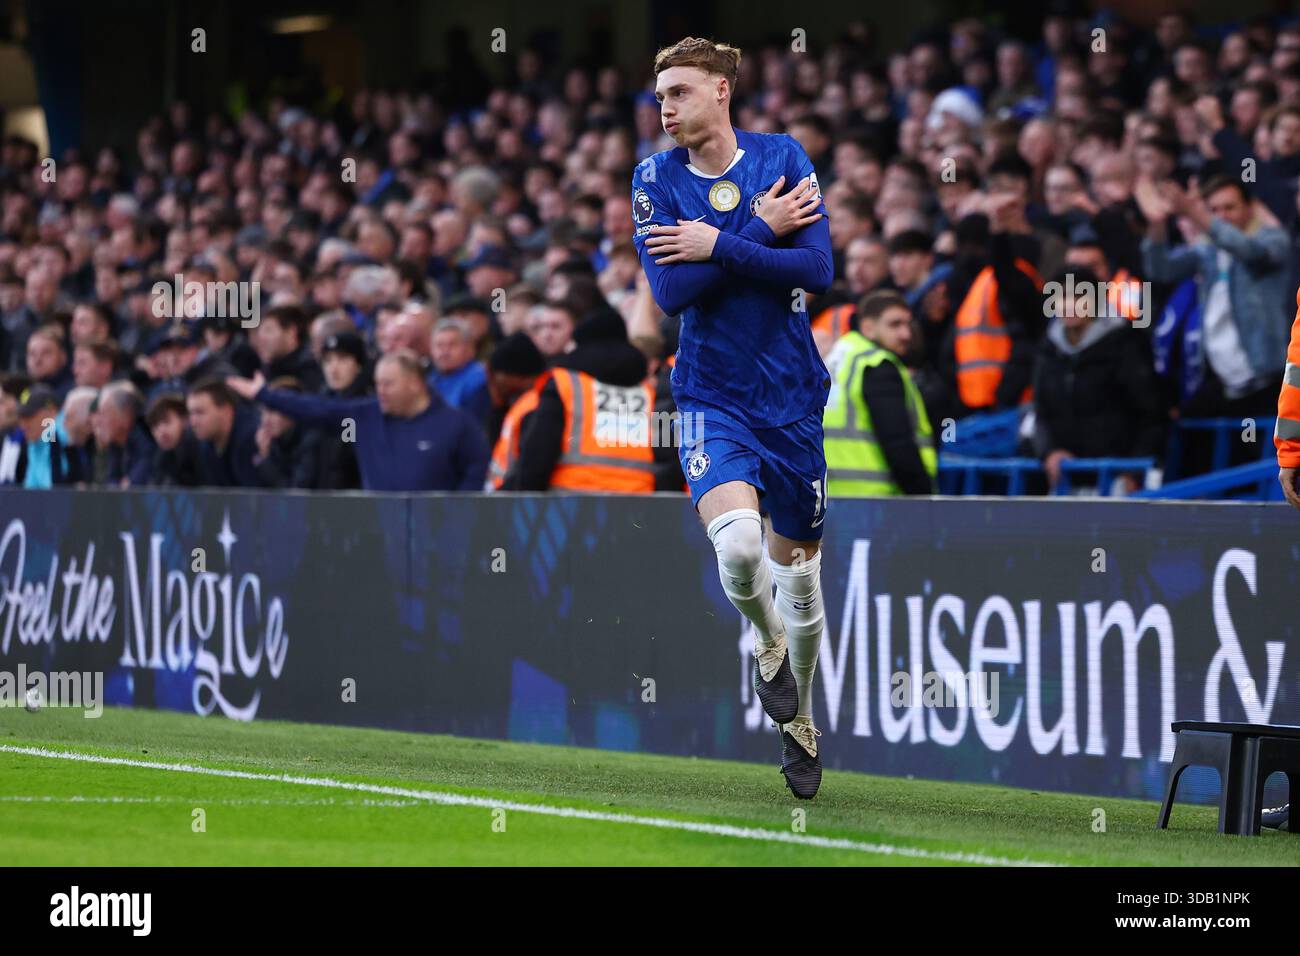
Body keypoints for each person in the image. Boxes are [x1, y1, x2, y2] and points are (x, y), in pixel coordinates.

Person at [633, 37, 833, 797]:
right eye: (660, 97)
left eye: (679, 92)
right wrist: (753, 231)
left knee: (802, 586)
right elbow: (673, 297)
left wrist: (715, 242)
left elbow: (817, 270)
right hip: (710, 394)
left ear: (721, 91)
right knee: (742, 548)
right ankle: (762, 640)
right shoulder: (654, 178)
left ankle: (800, 718)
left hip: (791, 400)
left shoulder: (783, 155)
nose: (666, 108)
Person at [226, 350, 489, 492]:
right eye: (377, 384)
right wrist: (266, 396)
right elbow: (317, 410)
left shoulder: (458, 425)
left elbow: (476, 471)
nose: (381, 391)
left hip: (440, 539)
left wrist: (455, 514)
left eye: (389, 384)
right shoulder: (365, 416)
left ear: (415, 384)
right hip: (379, 538)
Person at [824, 291, 937, 496]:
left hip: (834, 495)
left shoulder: (841, 355)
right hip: (876, 498)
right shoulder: (878, 365)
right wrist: (923, 496)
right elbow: (897, 442)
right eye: (895, 325)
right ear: (868, 328)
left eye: (907, 324)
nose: (906, 334)